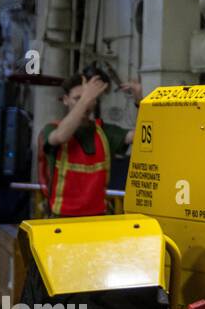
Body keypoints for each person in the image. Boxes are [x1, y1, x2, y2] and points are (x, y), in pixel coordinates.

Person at [38, 73, 141, 217]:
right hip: (61, 221)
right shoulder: (53, 128)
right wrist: (86, 97)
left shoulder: (103, 132)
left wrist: (139, 101)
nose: (85, 104)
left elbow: (140, 135)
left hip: (97, 219)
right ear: (65, 100)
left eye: (90, 98)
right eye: (77, 98)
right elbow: (61, 136)